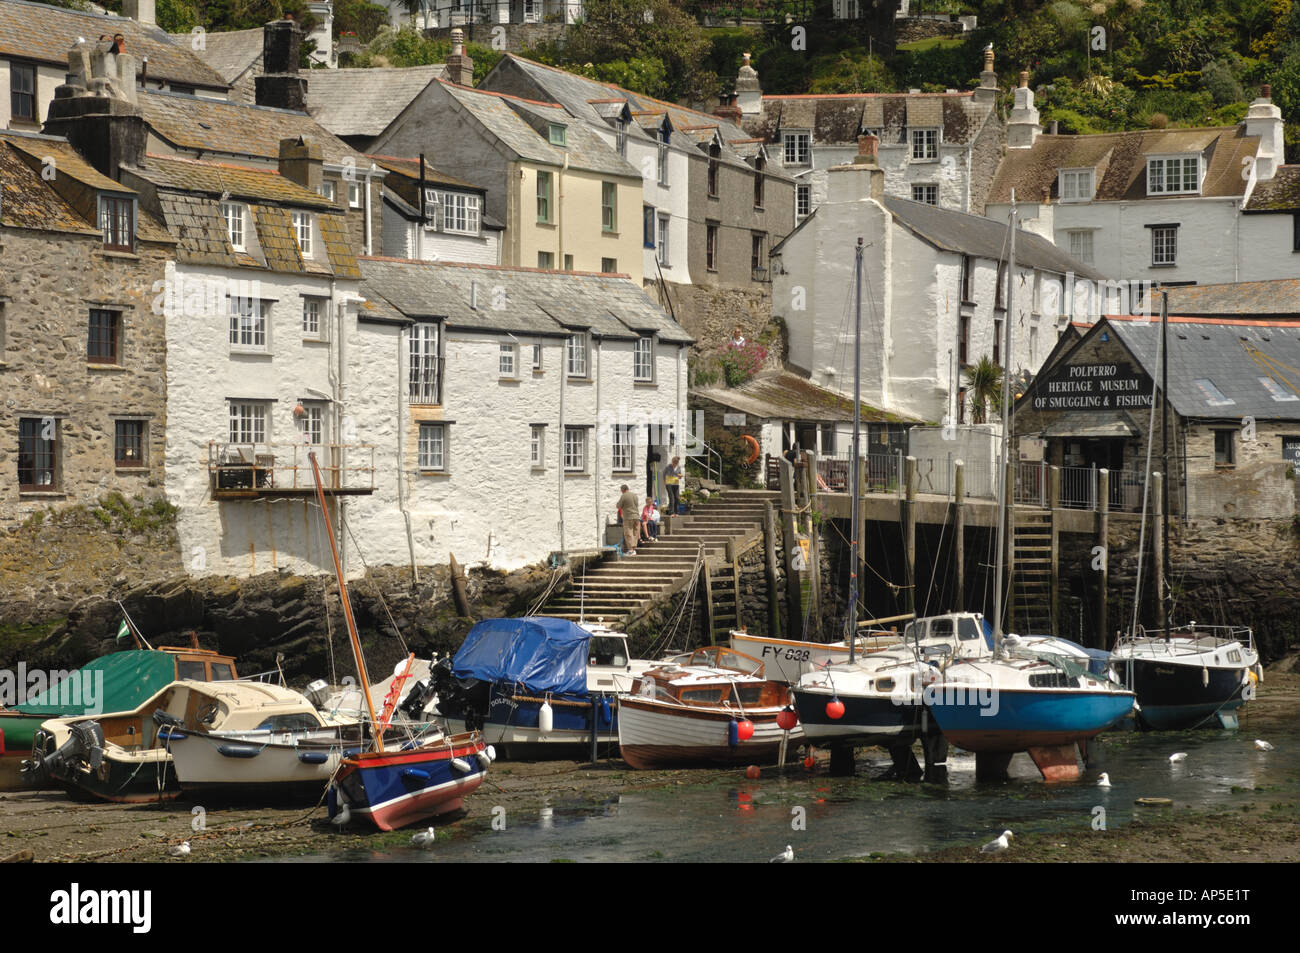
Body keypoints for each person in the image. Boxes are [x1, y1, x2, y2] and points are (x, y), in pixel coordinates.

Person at [616, 484, 640, 555]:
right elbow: (637, 504)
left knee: (628, 533)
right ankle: (634, 549)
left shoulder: (624, 496)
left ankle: (630, 550)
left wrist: (617, 504)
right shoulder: (634, 495)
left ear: (622, 490)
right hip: (636, 516)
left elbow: (619, 506)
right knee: (635, 532)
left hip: (628, 517)